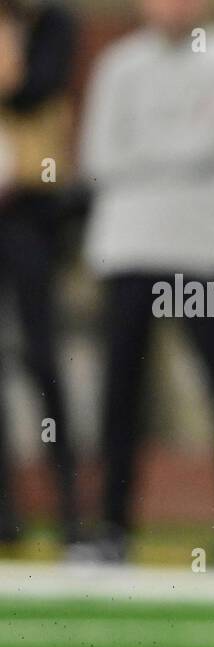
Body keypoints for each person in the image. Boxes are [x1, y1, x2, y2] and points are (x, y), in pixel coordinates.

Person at [78, 0, 214, 560]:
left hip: (204, 252)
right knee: (120, 397)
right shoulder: (119, 62)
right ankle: (110, 528)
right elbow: (97, 157)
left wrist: (145, 151)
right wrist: (177, 148)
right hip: (127, 249)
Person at [0, 0, 79, 544]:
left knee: (41, 357)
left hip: (29, 212)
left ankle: (72, 506)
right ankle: (7, 514)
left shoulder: (53, 24)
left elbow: (30, 86)